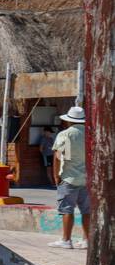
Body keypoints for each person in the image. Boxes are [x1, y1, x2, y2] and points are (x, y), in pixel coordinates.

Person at [50, 106, 89, 250]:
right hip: (86, 178)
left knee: (67, 210)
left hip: (68, 177)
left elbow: (58, 156)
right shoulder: (90, 134)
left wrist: (55, 176)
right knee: (87, 211)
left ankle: (66, 240)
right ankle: (87, 240)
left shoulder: (65, 135)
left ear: (69, 121)